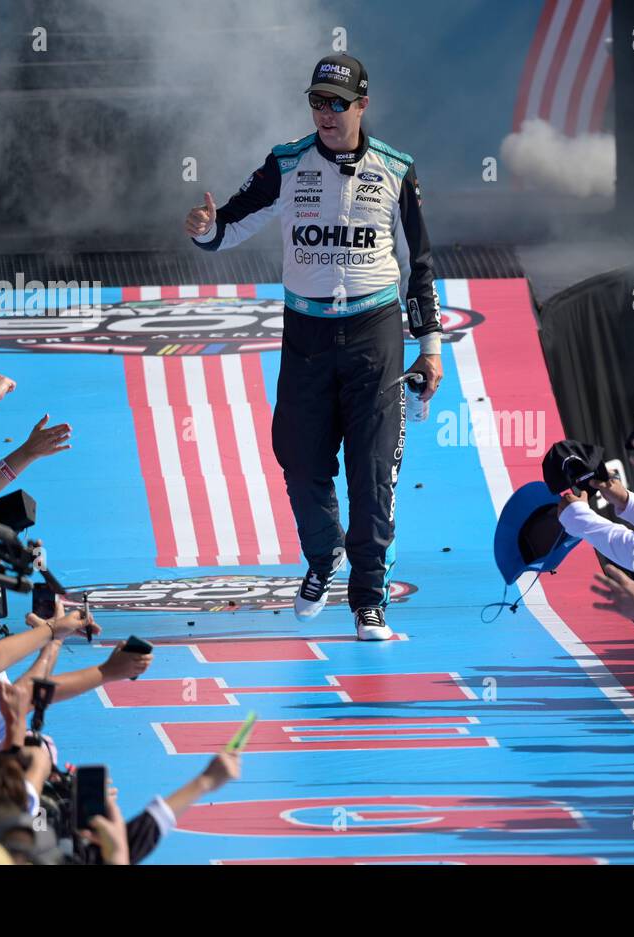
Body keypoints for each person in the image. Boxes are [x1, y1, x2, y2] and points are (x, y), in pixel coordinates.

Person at [185, 54, 442, 642]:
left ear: (362, 106)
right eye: (316, 102)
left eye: (336, 103)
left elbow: (419, 267)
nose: (324, 114)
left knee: (372, 471)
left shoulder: (397, 170)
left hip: (376, 334)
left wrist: (430, 350)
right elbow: (227, 226)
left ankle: (369, 599)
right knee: (300, 460)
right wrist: (204, 228)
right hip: (306, 335)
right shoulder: (286, 163)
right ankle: (322, 558)